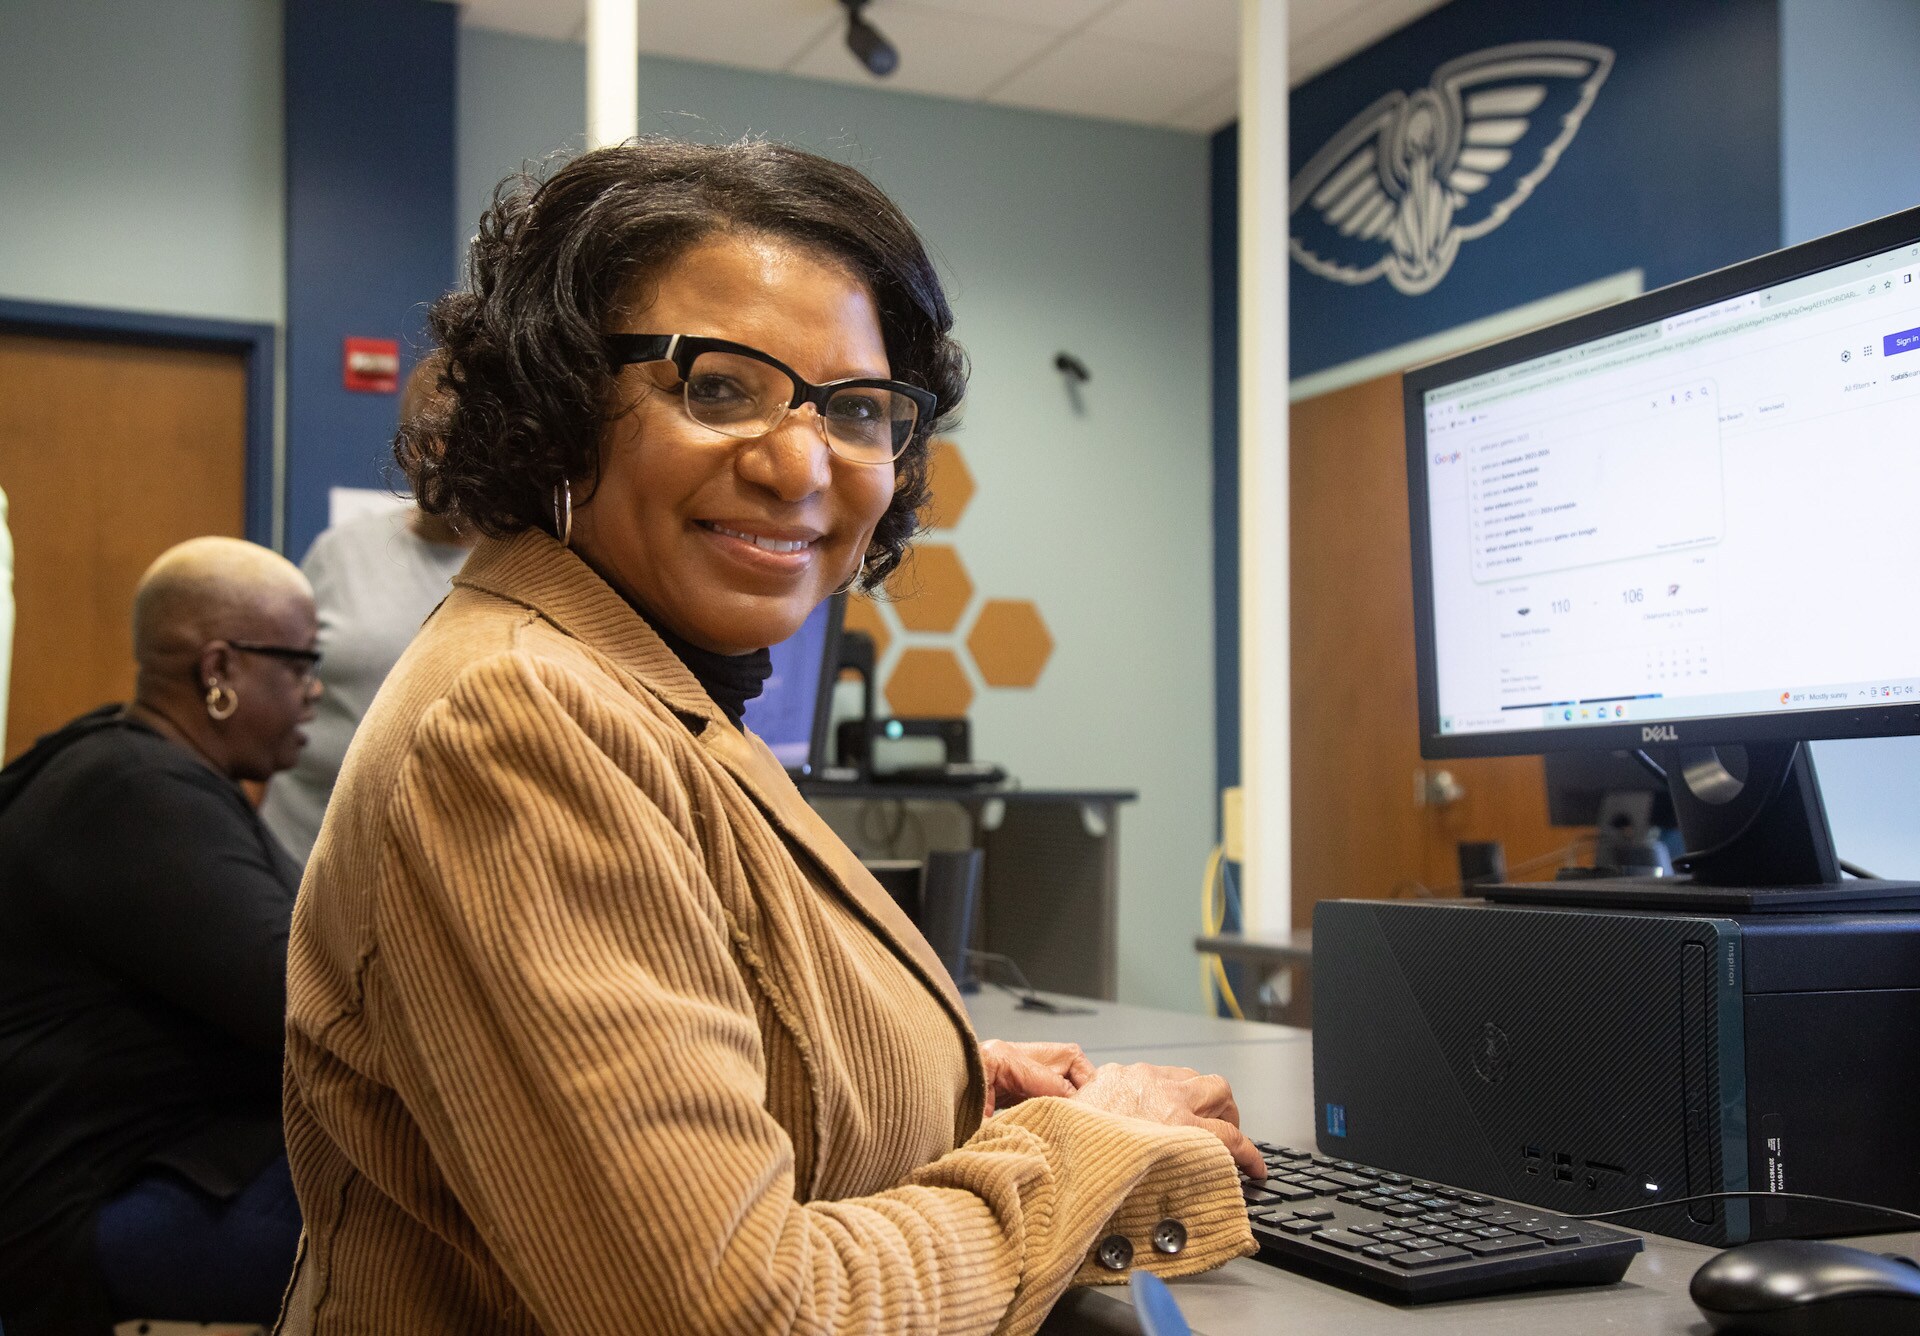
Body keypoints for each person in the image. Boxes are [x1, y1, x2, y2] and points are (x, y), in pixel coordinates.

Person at [280, 140, 1258, 1336]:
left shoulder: (649, 682)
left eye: (856, 409)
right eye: (720, 386)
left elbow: (720, 1025)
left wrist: (952, 1084)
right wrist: (1101, 1143)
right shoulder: (516, 720)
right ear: (558, 400)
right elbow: (745, 1313)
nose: (800, 464)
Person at [0, 536, 321, 1333]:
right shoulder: (129, 794)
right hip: (95, 1208)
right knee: (440, 1222)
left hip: (184, 1161)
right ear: (219, 671)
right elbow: (306, 1005)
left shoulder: (156, 775)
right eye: (298, 663)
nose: (315, 692)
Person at [261, 357, 476, 862]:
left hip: (434, 858)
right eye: (422, 440)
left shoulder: (528, 570)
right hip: (298, 845)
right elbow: (277, 691)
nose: (439, 458)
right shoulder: (339, 552)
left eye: (458, 439)